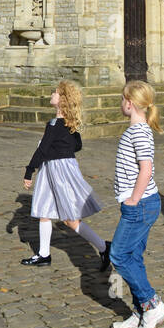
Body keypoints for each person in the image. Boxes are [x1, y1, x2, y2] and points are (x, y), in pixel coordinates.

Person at [21, 81, 109, 269]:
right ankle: (44, 254)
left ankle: (103, 246)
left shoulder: (55, 124)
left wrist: (29, 171)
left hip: (59, 172)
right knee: (44, 210)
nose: (51, 95)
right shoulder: (67, 124)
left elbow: (43, 150)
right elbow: (77, 146)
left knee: (70, 219)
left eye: (55, 93)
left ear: (63, 100)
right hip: (54, 169)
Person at [109, 80, 164, 328]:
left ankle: (152, 304)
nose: (121, 103)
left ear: (129, 103)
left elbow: (146, 168)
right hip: (139, 204)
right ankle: (140, 311)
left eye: (123, 99)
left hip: (141, 205)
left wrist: (133, 198)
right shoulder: (135, 129)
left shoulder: (139, 132)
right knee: (133, 258)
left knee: (119, 255)